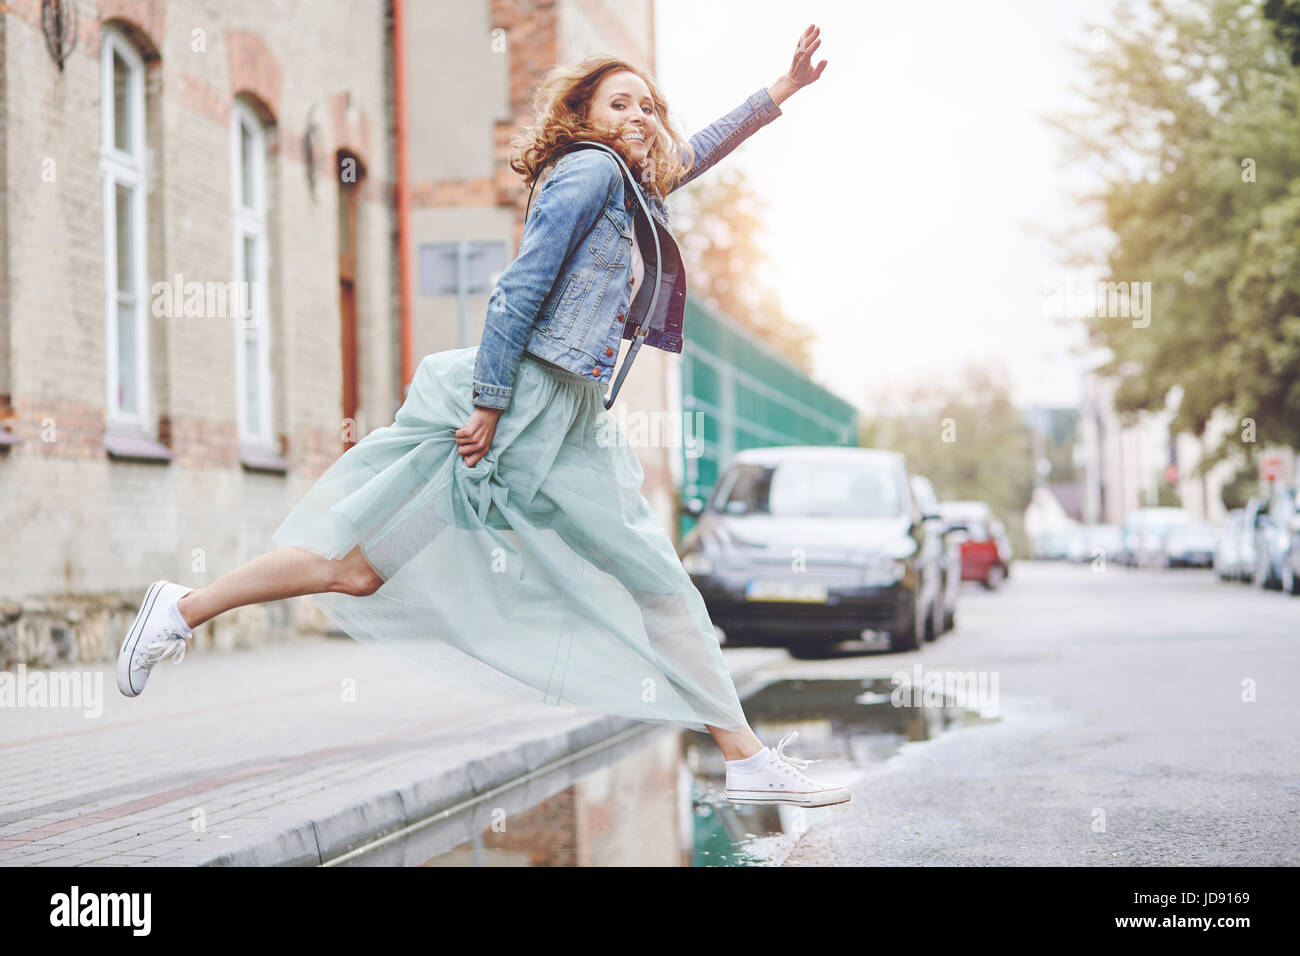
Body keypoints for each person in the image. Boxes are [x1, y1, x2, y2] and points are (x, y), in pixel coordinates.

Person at [117, 26, 846, 808]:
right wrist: (492, 405)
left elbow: (693, 150)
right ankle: (180, 609)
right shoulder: (590, 172)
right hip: (525, 400)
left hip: (571, 416)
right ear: (587, 116)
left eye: (649, 104)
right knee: (363, 567)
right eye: (619, 101)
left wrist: (781, 91)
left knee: (648, 581)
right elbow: (517, 291)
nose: (639, 114)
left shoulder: (634, 183)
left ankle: (743, 757)